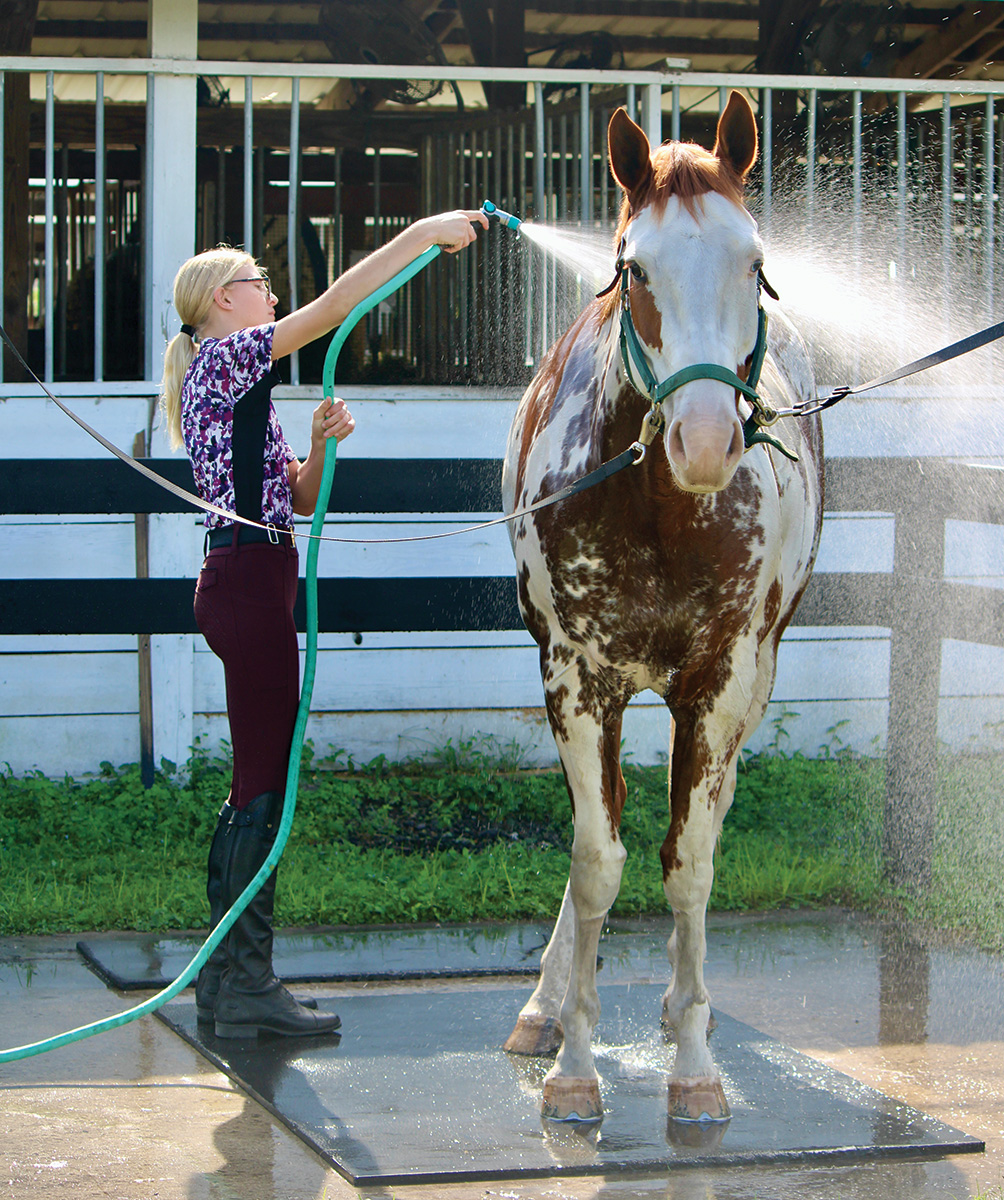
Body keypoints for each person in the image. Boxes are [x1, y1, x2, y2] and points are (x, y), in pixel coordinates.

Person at [160, 209, 487, 1040]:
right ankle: (242, 984)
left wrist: (314, 444)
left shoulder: (238, 382)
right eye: (258, 282)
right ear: (221, 302)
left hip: (258, 571)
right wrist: (424, 233)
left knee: (260, 775)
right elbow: (335, 308)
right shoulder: (226, 354)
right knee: (260, 781)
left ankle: (236, 979)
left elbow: (297, 502)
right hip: (245, 578)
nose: (270, 292)